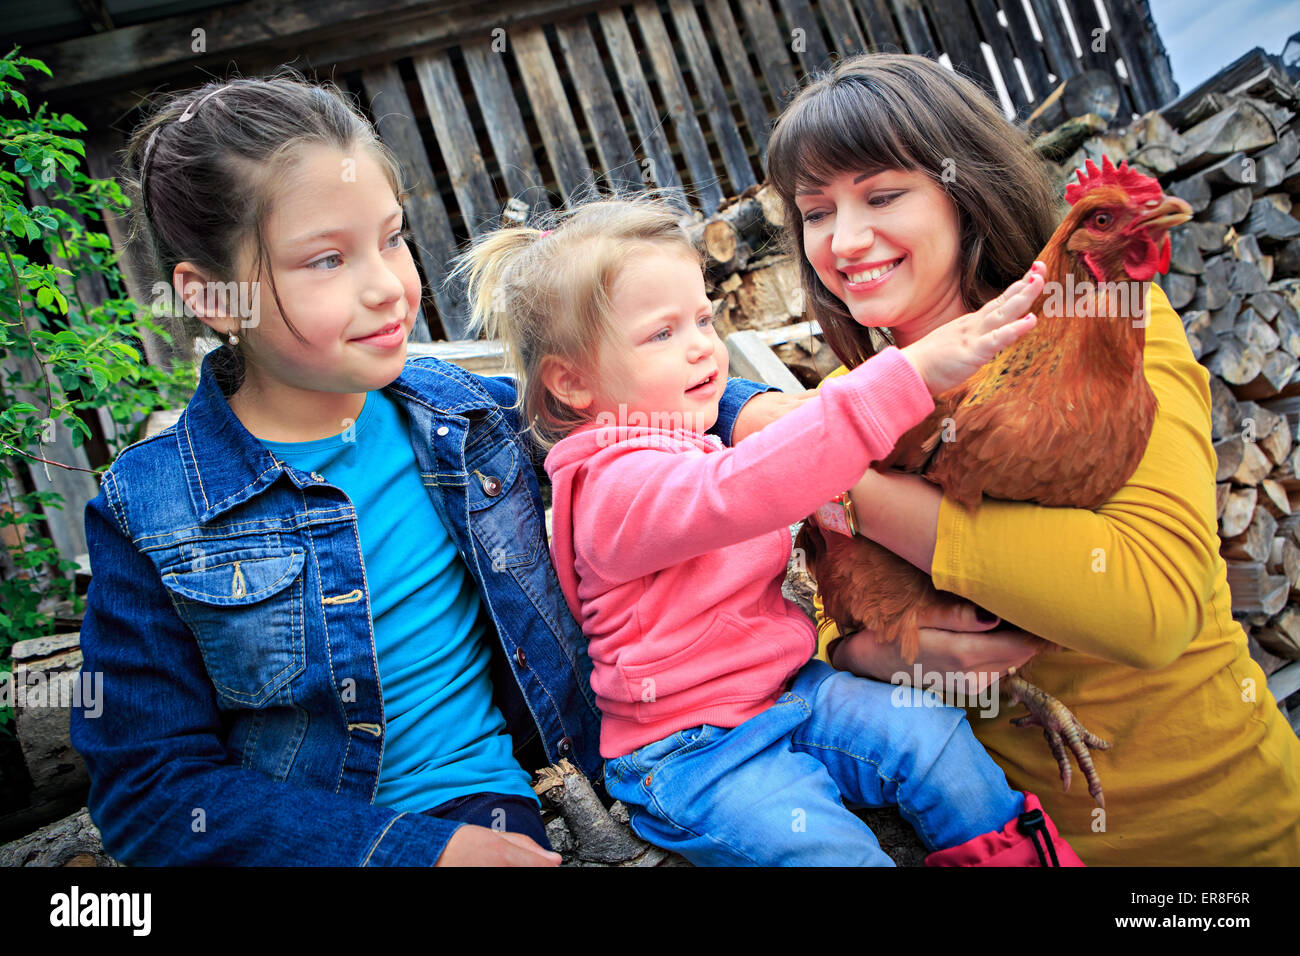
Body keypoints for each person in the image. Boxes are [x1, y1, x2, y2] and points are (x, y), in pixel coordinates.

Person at [68, 74, 789, 866]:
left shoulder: (463, 419)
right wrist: (420, 852)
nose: (387, 286)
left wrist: (743, 410)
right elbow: (150, 793)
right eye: (327, 260)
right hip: (328, 843)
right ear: (213, 297)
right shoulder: (151, 509)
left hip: (516, 803)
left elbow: (602, 395)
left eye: (392, 236)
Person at [764, 52, 1300, 864]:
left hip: (1220, 828)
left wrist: (844, 480)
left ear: (964, 189)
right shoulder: (847, 394)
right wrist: (879, 648)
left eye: (881, 196)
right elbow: (822, 612)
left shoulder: (1103, 330)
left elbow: (1149, 608)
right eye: (814, 211)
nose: (844, 240)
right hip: (1021, 843)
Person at [449, 194, 1086, 866]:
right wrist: (910, 378)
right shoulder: (614, 486)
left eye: (702, 318)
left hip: (787, 693)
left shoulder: (687, 445)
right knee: (831, 851)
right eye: (662, 333)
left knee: (934, 738)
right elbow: (744, 491)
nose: (701, 347)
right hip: (693, 751)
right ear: (572, 383)